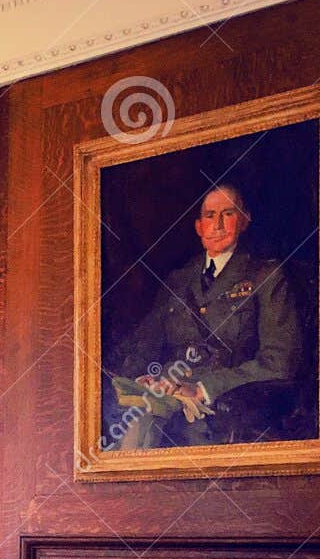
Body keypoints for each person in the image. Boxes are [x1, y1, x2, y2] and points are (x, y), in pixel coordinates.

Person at [111, 184, 308, 449]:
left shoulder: (266, 276)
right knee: (130, 433)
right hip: (165, 398)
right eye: (209, 215)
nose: (217, 225)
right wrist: (143, 376)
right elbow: (144, 343)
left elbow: (279, 362)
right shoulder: (178, 280)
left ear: (244, 220)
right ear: (198, 226)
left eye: (228, 214)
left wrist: (204, 388)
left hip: (227, 408)